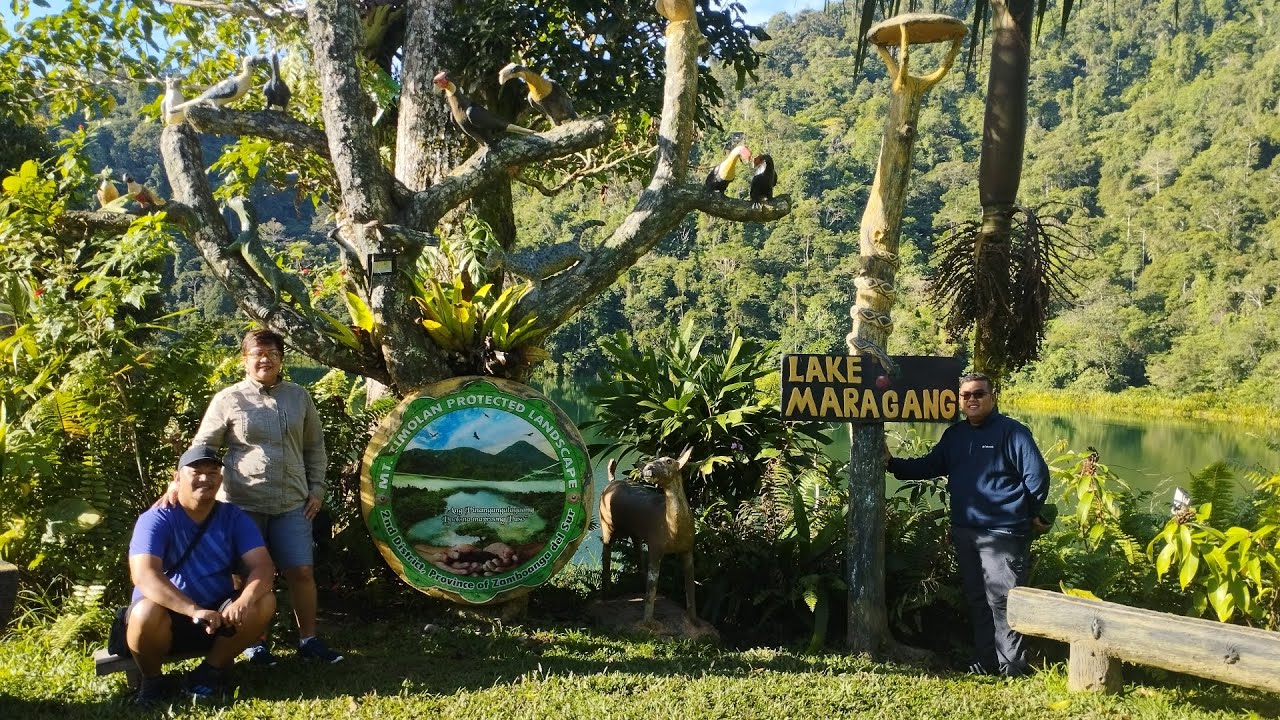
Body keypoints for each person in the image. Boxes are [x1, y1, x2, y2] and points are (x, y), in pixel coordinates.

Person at [186, 328, 342, 665]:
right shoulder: (229, 399)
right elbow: (204, 448)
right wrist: (190, 487)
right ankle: (254, 643)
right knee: (249, 576)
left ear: (281, 358)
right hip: (243, 505)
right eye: (257, 353)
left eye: (272, 353)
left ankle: (308, 641)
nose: (265, 359)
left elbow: (315, 447)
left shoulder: (298, 396)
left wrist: (317, 488)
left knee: (301, 571)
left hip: (292, 503)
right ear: (244, 359)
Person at [884, 371, 1050, 677]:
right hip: (966, 531)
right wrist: (892, 464)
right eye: (966, 395)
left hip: (1003, 533)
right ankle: (987, 662)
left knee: (1003, 601)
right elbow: (929, 465)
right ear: (959, 401)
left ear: (992, 397)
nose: (971, 399)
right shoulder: (956, 435)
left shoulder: (1013, 433)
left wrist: (1029, 513)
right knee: (977, 599)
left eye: (978, 394)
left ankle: (1011, 667)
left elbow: (1037, 477)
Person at [127, 446, 276, 704]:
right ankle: (152, 682)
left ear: (220, 479)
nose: (205, 478)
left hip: (218, 616)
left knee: (265, 600)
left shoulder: (232, 517)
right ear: (177, 479)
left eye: (212, 472)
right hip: (168, 615)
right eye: (196, 472)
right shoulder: (156, 519)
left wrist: (243, 601)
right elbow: (144, 575)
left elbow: (263, 566)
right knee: (144, 613)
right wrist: (192, 610)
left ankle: (208, 672)